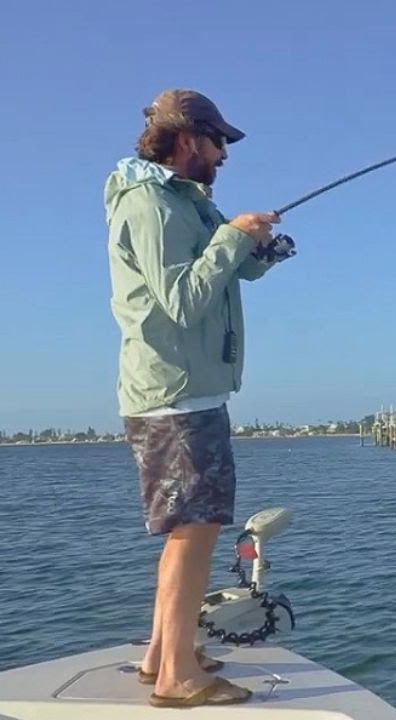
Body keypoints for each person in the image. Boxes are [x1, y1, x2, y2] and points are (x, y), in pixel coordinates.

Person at [104, 88, 287, 708]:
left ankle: (163, 655)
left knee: (189, 529)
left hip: (189, 391)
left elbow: (220, 269)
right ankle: (180, 678)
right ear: (188, 139)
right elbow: (181, 301)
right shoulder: (150, 204)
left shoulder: (186, 201)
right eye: (218, 142)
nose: (225, 154)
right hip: (175, 395)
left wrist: (255, 247)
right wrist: (233, 237)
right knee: (196, 531)